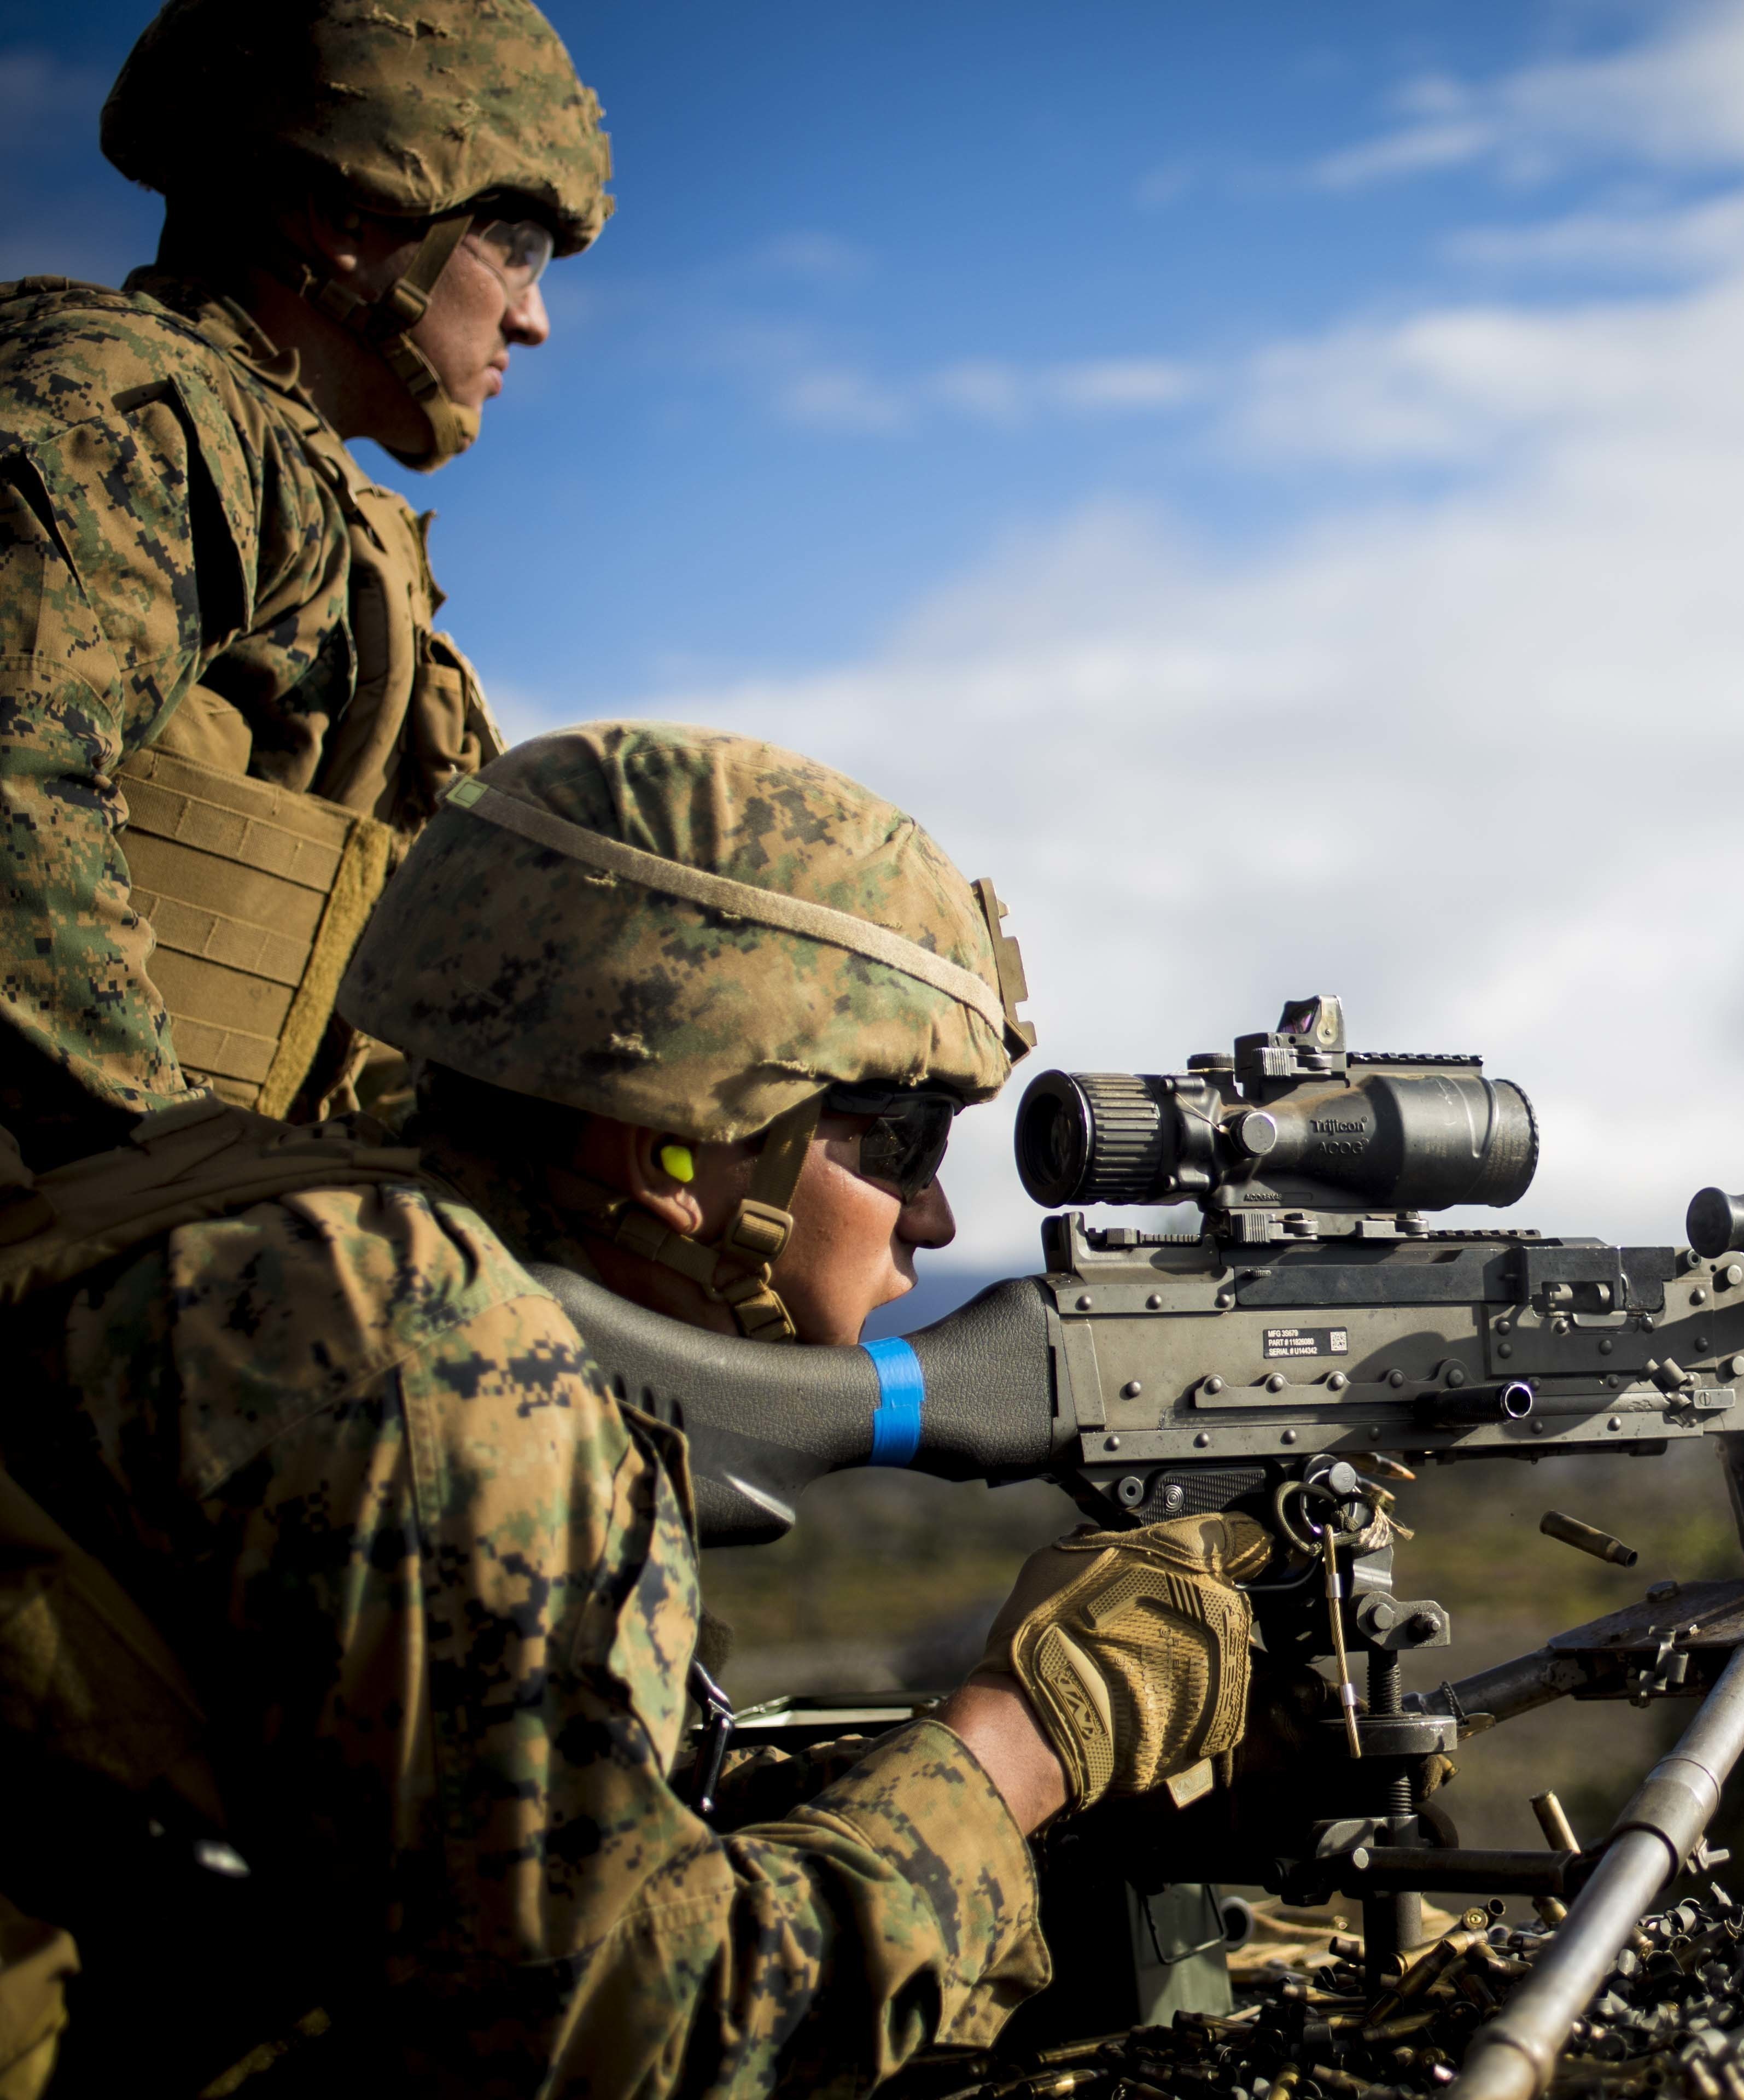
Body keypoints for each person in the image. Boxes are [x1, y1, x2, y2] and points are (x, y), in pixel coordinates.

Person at [0, 723, 1259, 2096]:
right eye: (897, 1141)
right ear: (681, 1130)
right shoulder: (443, 1355)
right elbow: (626, 2040)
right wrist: (1032, 1734)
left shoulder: (272, 1226)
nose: (936, 1216)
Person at [0, 0, 612, 1175]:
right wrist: (174, 1167)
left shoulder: (302, 495)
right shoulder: (130, 408)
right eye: (517, 247)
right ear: (347, 215)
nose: (532, 319)